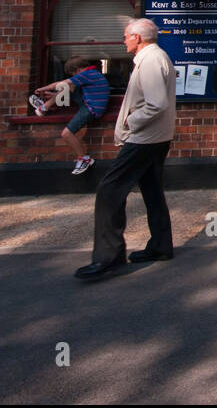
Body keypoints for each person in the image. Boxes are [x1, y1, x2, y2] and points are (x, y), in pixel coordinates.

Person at [74, 18, 177, 280]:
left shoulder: (152, 60)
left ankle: (109, 257)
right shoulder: (152, 58)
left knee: (109, 190)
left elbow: (156, 104)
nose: (124, 40)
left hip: (144, 139)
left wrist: (131, 122)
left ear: (138, 38)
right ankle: (161, 246)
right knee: (152, 190)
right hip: (155, 137)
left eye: (126, 36)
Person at [29, 56, 110, 175]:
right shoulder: (93, 73)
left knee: (66, 133)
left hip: (91, 109)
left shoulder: (87, 74)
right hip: (89, 103)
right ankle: (45, 105)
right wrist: (53, 95)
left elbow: (61, 83)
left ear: (77, 70)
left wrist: (42, 88)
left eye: (72, 73)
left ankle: (84, 159)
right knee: (68, 87)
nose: (73, 76)